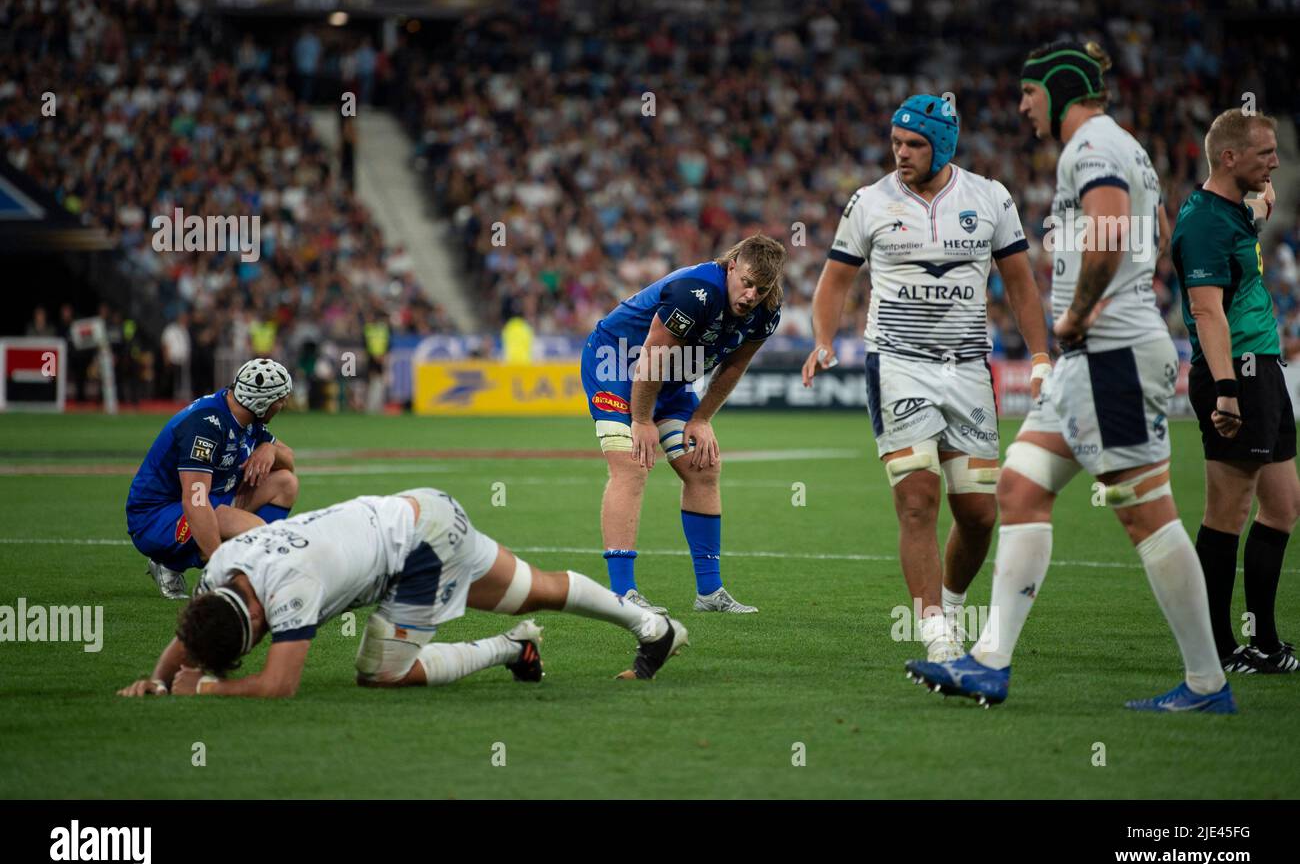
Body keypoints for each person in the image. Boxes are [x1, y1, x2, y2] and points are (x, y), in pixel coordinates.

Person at [907, 41, 1234, 712]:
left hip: (1109, 355)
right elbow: (1161, 231)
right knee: (1021, 488)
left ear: (1058, 90)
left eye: (1030, 92)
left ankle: (1207, 682)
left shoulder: (1089, 148)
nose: (1022, 105)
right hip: (1101, 357)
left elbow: (1112, 233)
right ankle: (990, 662)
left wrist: (1081, 312)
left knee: (1147, 514)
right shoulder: (1126, 147)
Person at [802, 93, 1050, 662]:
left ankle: (953, 602)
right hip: (896, 365)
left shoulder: (990, 198)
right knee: (918, 501)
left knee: (980, 514)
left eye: (914, 144)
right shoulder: (868, 202)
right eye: (896, 142)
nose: (901, 153)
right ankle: (935, 630)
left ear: (942, 145)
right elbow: (835, 281)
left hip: (967, 368)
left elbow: (1019, 284)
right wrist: (823, 339)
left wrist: (1039, 356)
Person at [116, 489, 688, 698]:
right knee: (532, 590)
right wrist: (161, 677)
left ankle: (511, 648)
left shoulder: (288, 589)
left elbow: (278, 685)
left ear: (257, 617)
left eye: (256, 635)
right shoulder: (226, 567)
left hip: (417, 550)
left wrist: (205, 690)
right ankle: (653, 628)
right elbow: (192, 628)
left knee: (379, 672)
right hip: (416, 510)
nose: (263, 638)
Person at [580, 234, 786, 613]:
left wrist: (702, 417)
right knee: (632, 464)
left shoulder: (768, 309)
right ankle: (622, 595)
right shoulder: (695, 291)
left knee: (702, 466)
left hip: (673, 372)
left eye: (761, 288)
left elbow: (736, 364)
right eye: (746, 283)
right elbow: (652, 356)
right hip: (617, 362)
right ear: (733, 264)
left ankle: (709, 593)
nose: (751, 295)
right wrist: (641, 419)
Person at [1172, 108, 1297, 673]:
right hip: (1235, 370)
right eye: (1265, 153)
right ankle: (1216, 649)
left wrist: (1261, 191)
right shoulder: (1202, 222)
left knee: (1283, 505)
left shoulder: (1237, 209)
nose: (1274, 162)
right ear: (1229, 158)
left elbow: (1260, 199)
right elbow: (1205, 311)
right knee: (1228, 511)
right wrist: (1225, 389)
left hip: (1262, 366)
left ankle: (1265, 644)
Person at [125, 358, 299, 600]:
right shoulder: (205, 425)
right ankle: (210, 573)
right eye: (280, 399)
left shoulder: (244, 415)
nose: (284, 404)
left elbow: (289, 460)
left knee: (285, 483)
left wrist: (270, 449)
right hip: (155, 517)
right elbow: (194, 500)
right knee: (255, 532)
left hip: (208, 500)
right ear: (262, 403)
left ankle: (176, 565)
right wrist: (219, 570)